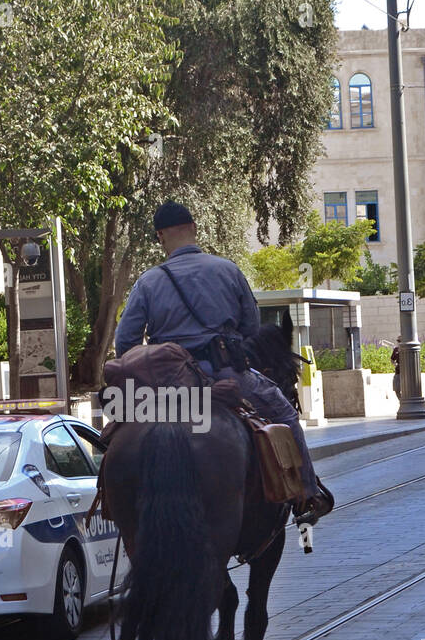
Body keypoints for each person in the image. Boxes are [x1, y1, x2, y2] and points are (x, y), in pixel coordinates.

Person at [114, 200, 332, 525]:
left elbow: (125, 343)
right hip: (224, 376)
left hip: (169, 388)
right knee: (285, 413)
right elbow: (250, 327)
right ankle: (306, 494)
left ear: (160, 237)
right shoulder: (227, 270)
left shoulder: (148, 282)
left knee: (117, 431)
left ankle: (113, 506)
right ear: (194, 230)